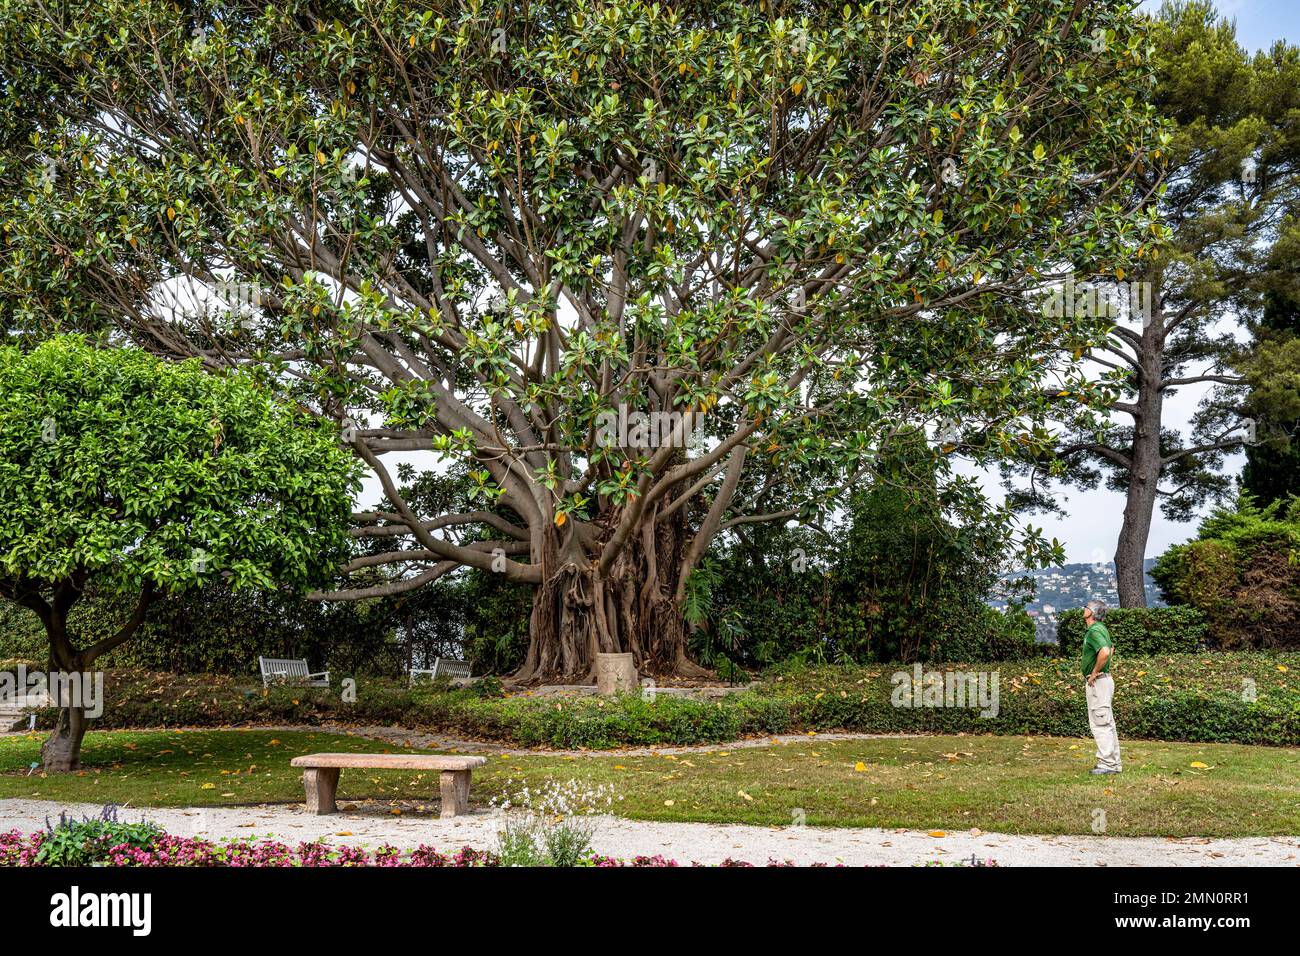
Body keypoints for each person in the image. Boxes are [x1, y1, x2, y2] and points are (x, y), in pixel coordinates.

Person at [1081, 599, 1121, 774]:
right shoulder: (1101, 629)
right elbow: (1111, 648)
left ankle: (1107, 764)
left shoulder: (1094, 630)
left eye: (1086, 607)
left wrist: (1095, 672)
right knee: (1107, 722)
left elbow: (1105, 652)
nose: (1084, 609)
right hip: (1105, 681)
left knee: (1100, 723)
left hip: (1099, 682)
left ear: (1092, 613)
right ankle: (1114, 762)